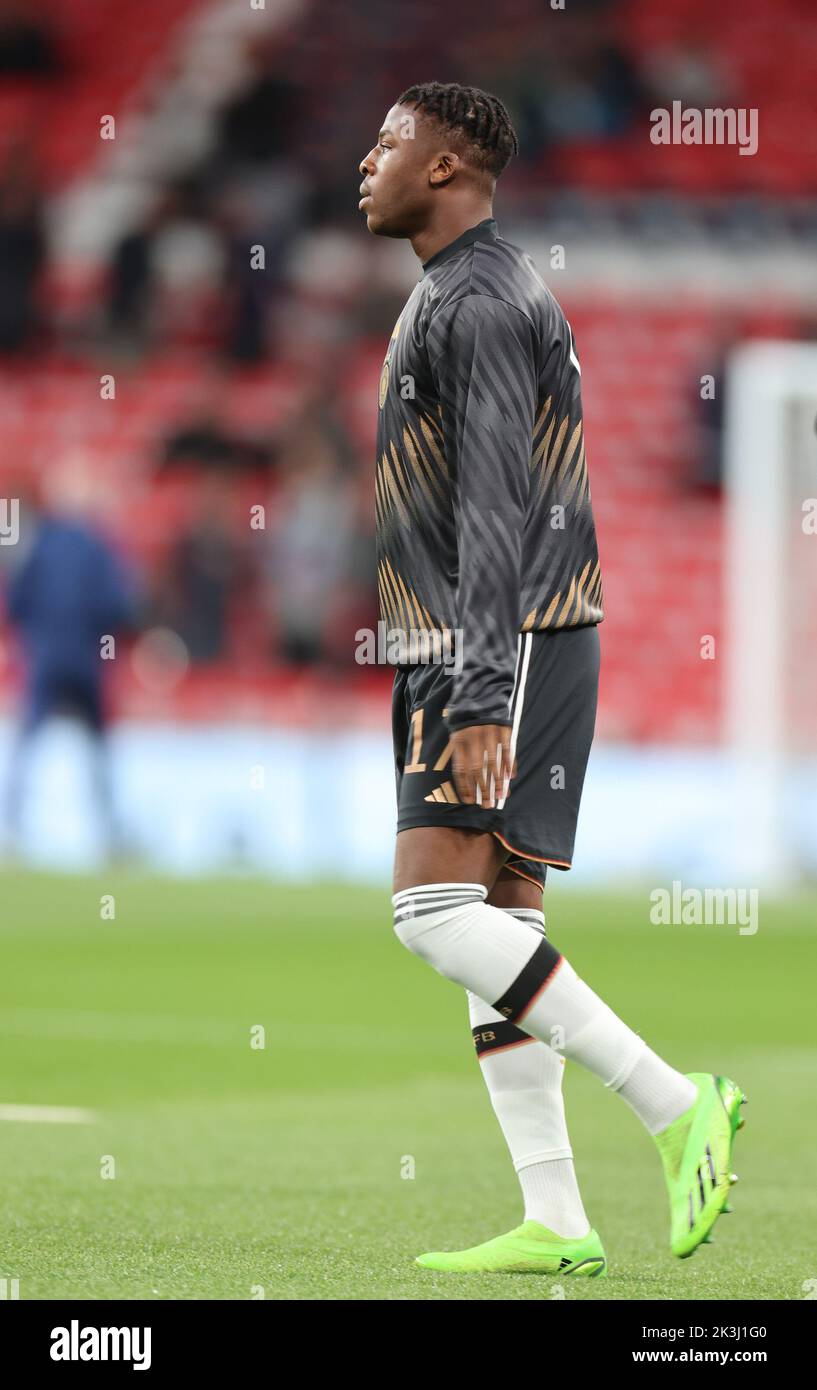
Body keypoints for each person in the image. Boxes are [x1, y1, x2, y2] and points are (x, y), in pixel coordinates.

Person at [358, 81, 745, 1275]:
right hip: (524, 635)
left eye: (388, 143)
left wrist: (477, 692)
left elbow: (493, 506)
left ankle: (676, 1103)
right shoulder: (481, 288)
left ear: (446, 167)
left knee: (431, 914)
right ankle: (558, 1217)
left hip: (494, 643)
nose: (364, 162)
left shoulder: (471, 300)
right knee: (501, 920)